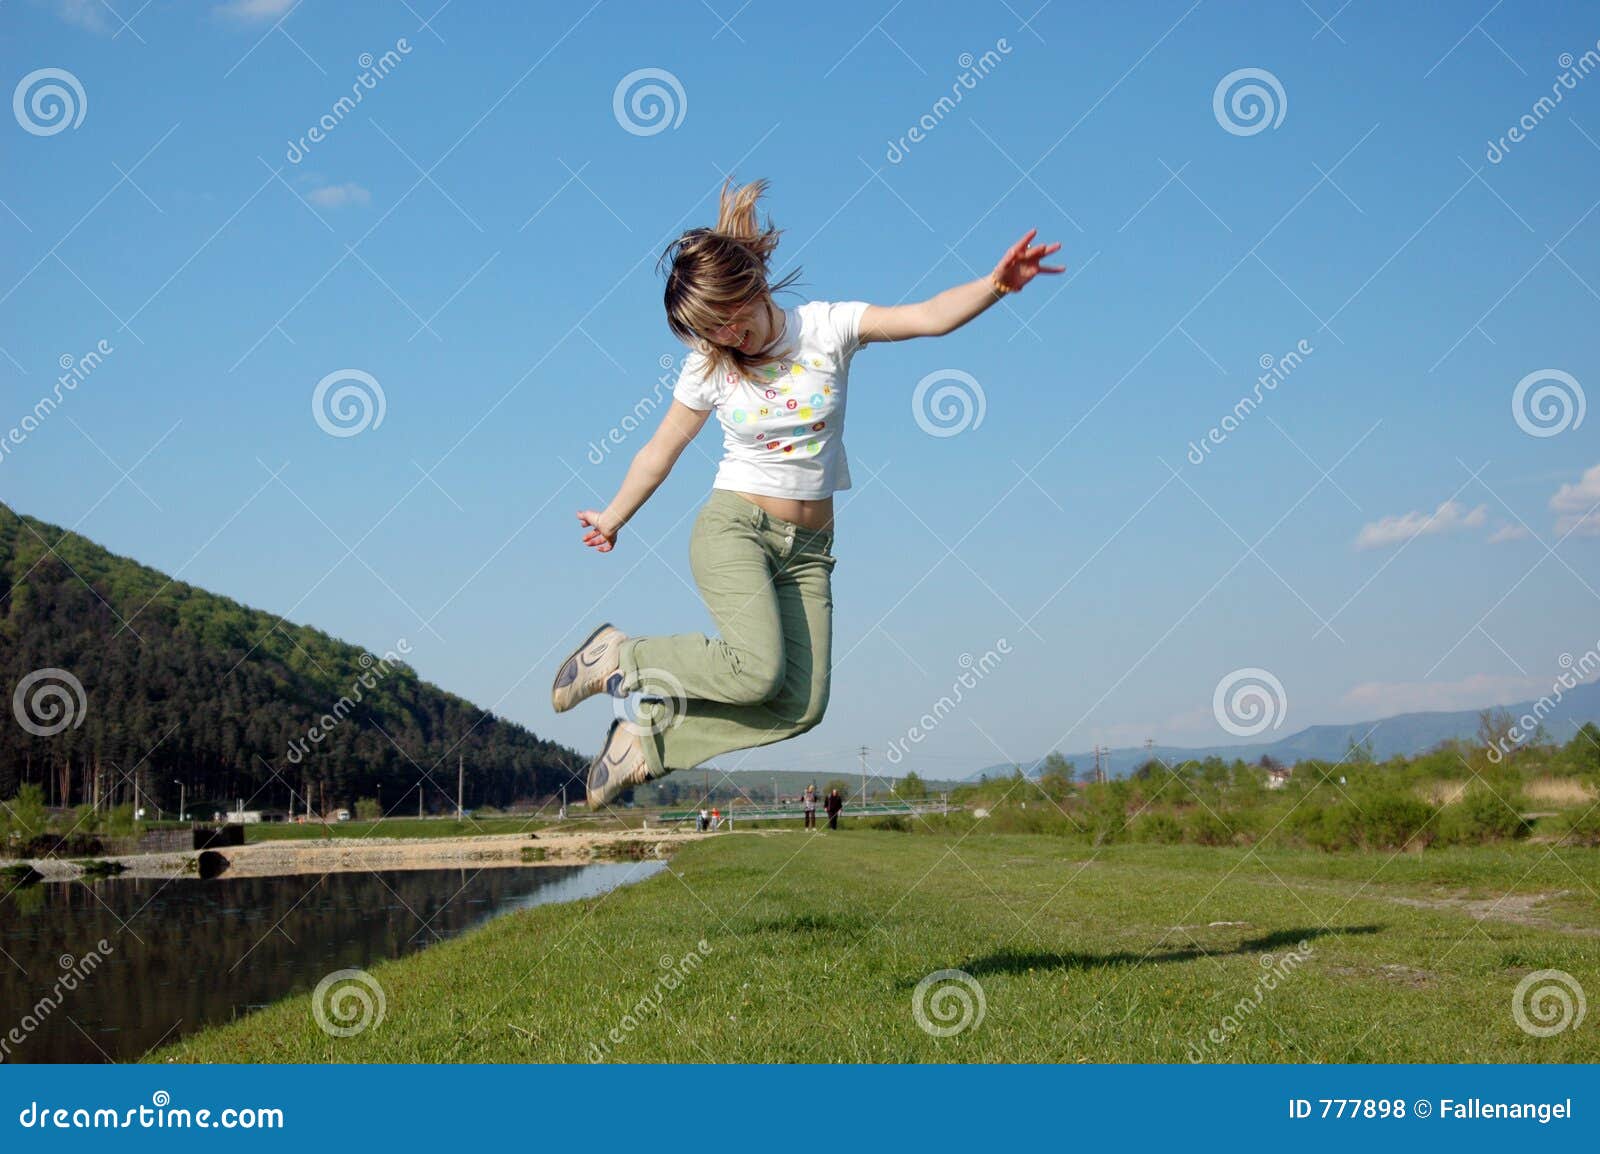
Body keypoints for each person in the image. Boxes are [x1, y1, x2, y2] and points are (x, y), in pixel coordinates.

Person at [552, 178, 1063, 808]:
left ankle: (647, 743)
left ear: (750, 285)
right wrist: (613, 516)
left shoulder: (827, 327)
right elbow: (660, 450)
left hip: (810, 551)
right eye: (711, 330)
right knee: (757, 668)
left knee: (801, 703)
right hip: (735, 527)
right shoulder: (710, 365)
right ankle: (620, 657)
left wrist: (995, 286)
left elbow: (926, 317)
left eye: (728, 318)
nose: (728, 337)